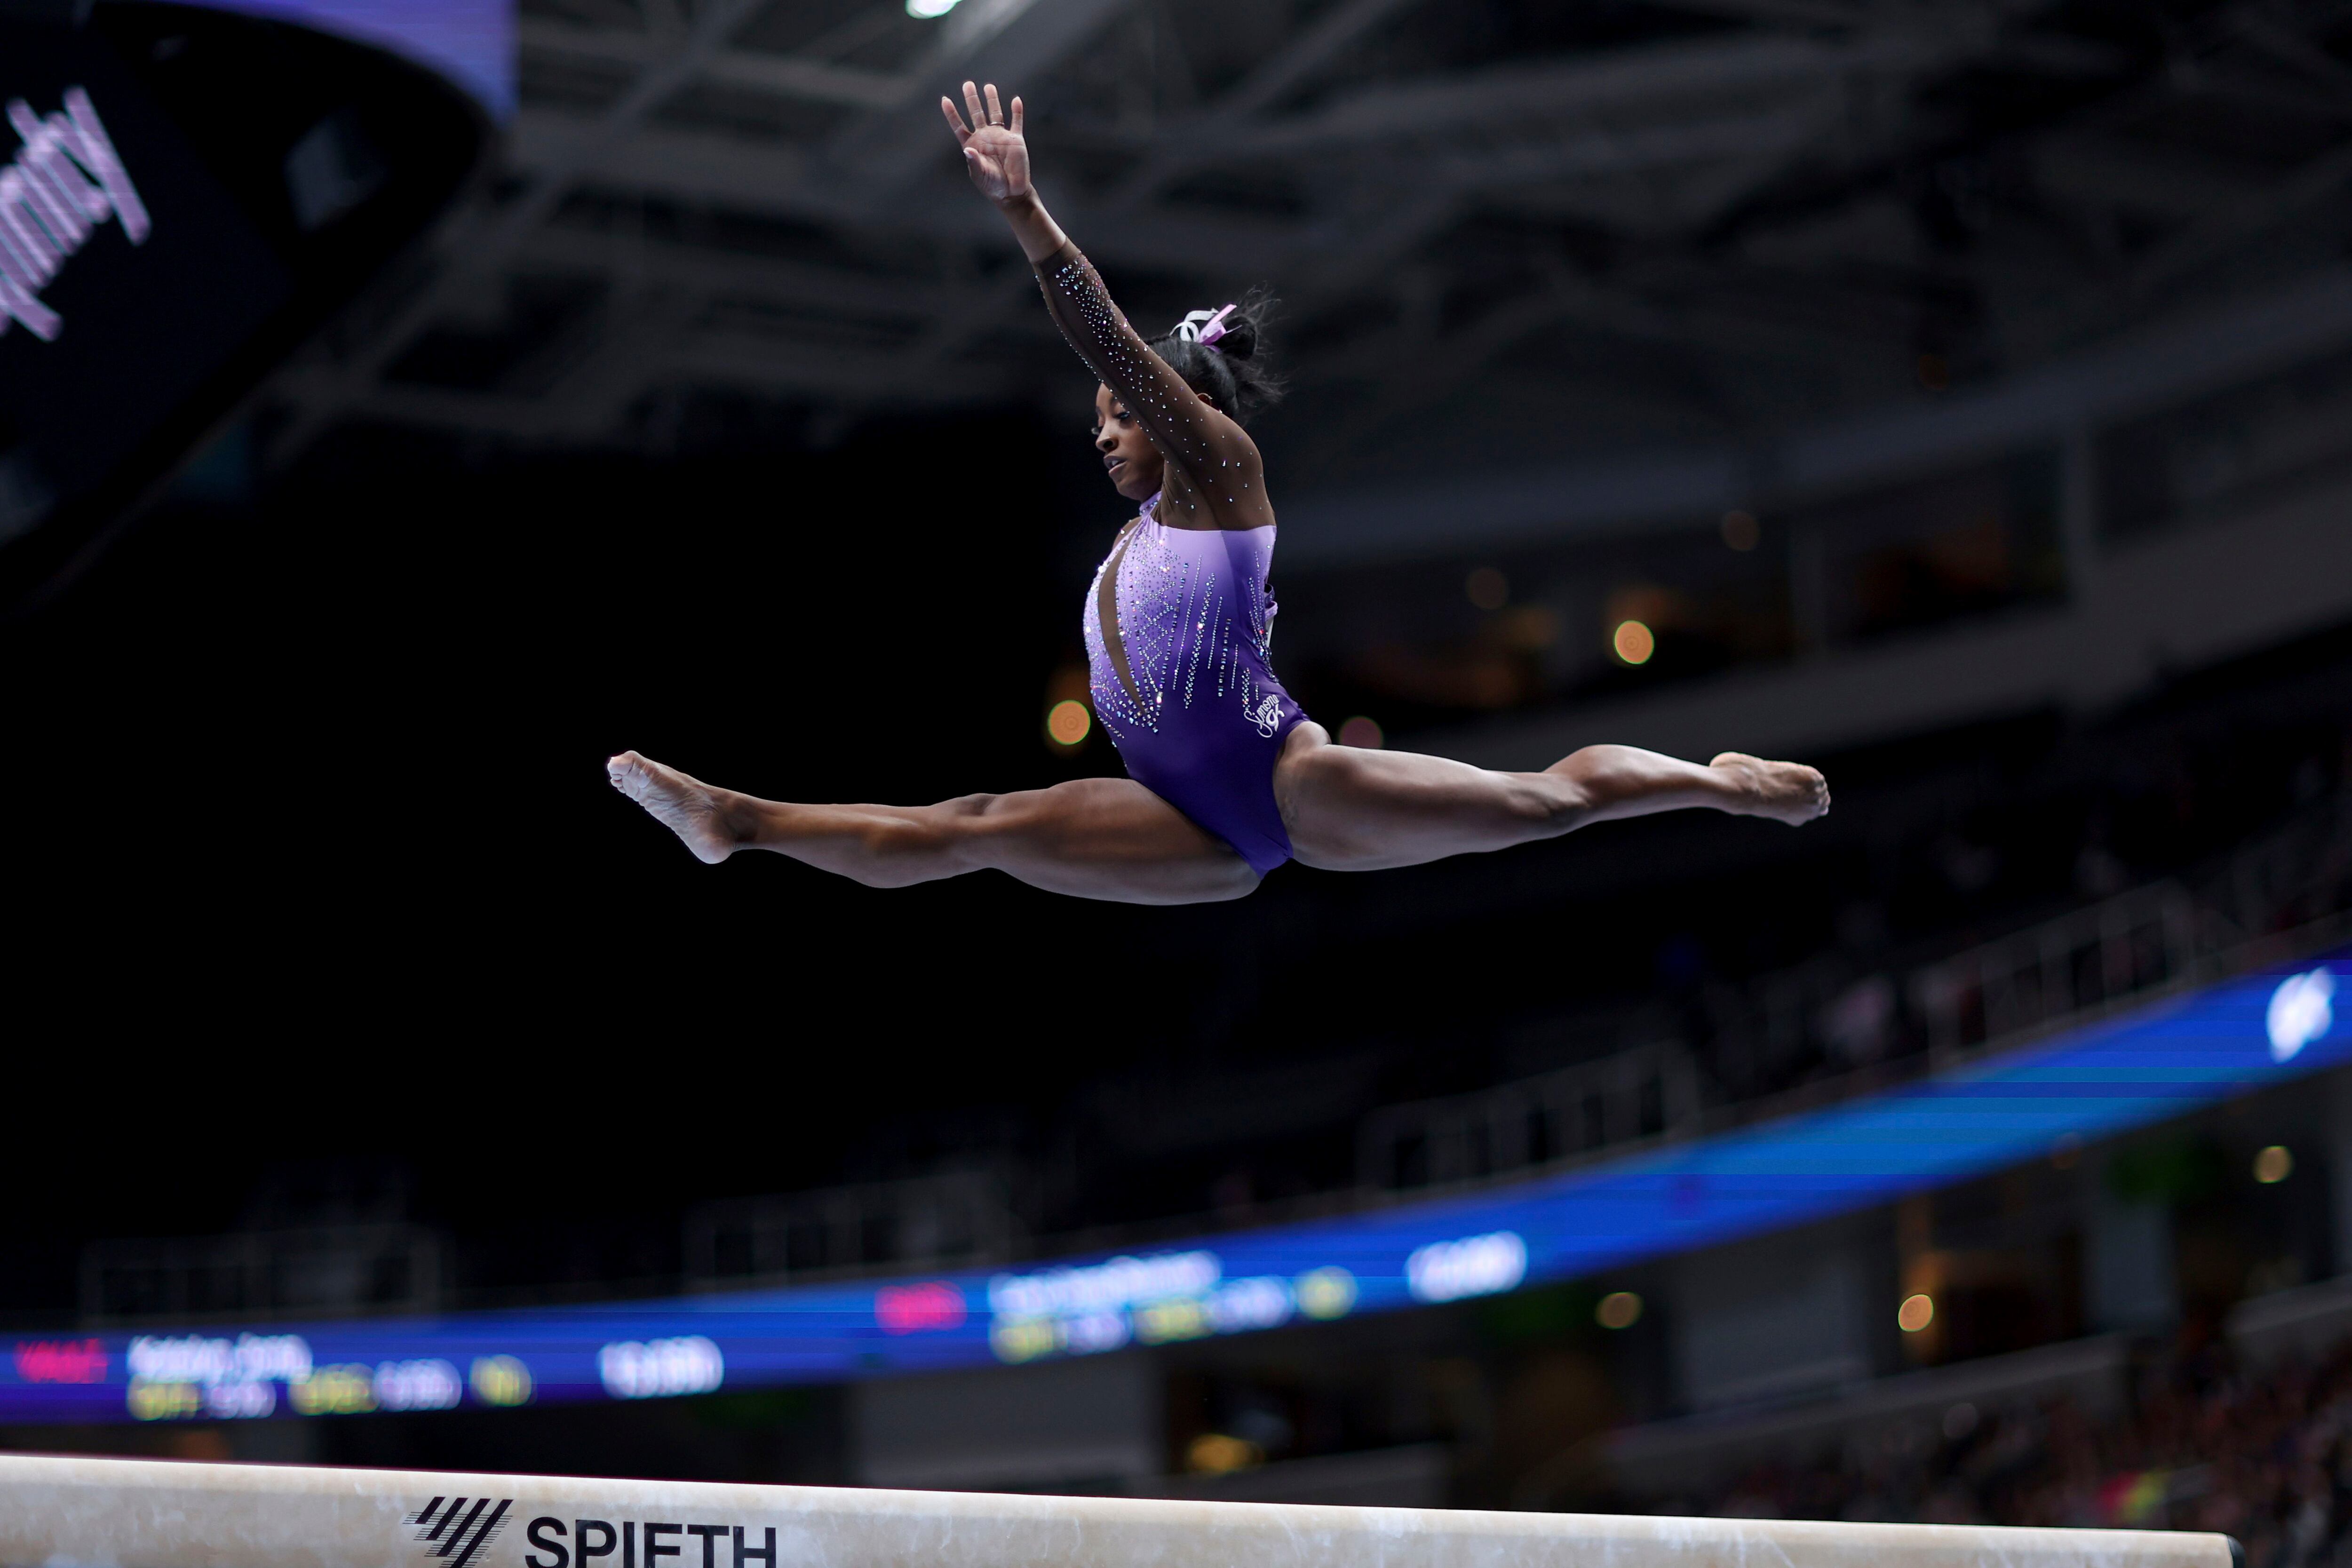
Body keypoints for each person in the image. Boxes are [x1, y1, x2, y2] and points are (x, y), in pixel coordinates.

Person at [607, 81, 1829, 906]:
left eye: (1123, 413)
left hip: (1291, 785)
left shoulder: (1224, 483)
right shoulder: (1138, 539)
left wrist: (1025, 210)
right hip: (1179, 822)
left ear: (1181, 411)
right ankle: (739, 819)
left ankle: (1718, 781)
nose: (1106, 433)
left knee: (1545, 806)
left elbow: (1104, 335)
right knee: (976, 825)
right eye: (1098, 422)